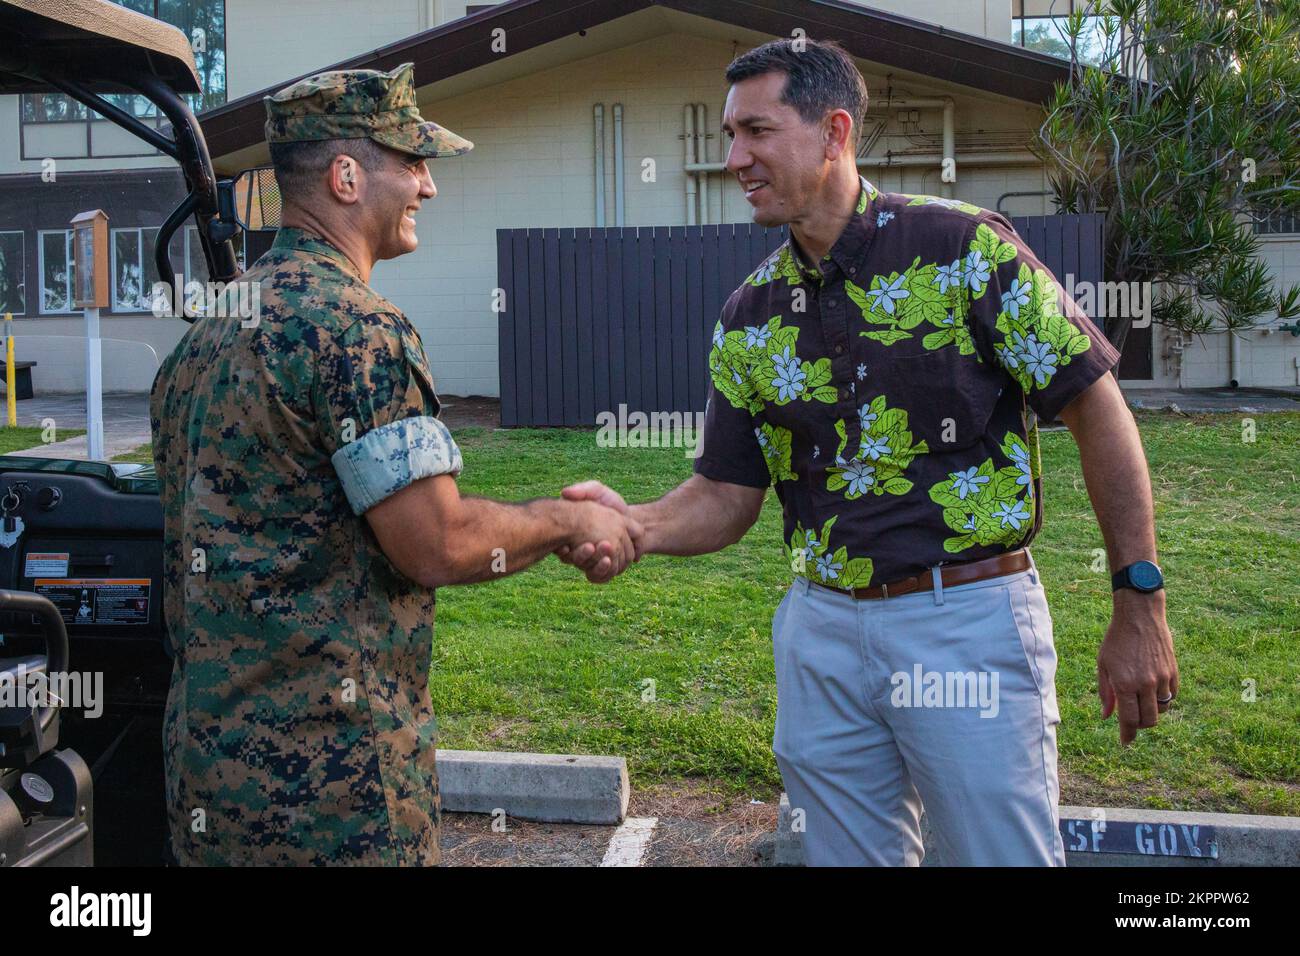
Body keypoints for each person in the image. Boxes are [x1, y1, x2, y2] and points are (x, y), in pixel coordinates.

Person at [562, 39, 1179, 866]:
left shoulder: (964, 250)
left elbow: (1097, 408)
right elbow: (727, 491)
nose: (734, 158)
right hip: (821, 629)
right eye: (730, 136)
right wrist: (634, 524)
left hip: (964, 621)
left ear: (834, 132)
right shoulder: (749, 314)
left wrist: (1138, 599)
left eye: (756, 132)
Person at [150, 63, 639, 865]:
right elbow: (436, 543)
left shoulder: (206, 333)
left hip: (207, 779)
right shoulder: (356, 328)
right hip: (333, 791)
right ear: (346, 176)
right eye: (412, 163)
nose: (428, 187)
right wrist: (570, 520)